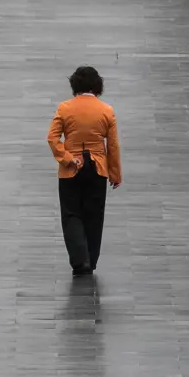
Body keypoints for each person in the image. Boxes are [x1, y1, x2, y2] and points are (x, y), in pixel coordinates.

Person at [46, 66, 122, 277]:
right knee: (94, 215)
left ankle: (80, 259)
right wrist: (115, 174)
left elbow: (52, 138)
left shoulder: (64, 108)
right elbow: (113, 146)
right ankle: (92, 257)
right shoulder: (106, 110)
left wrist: (67, 158)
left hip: (72, 168)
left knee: (71, 214)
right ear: (97, 85)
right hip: (98, 168)